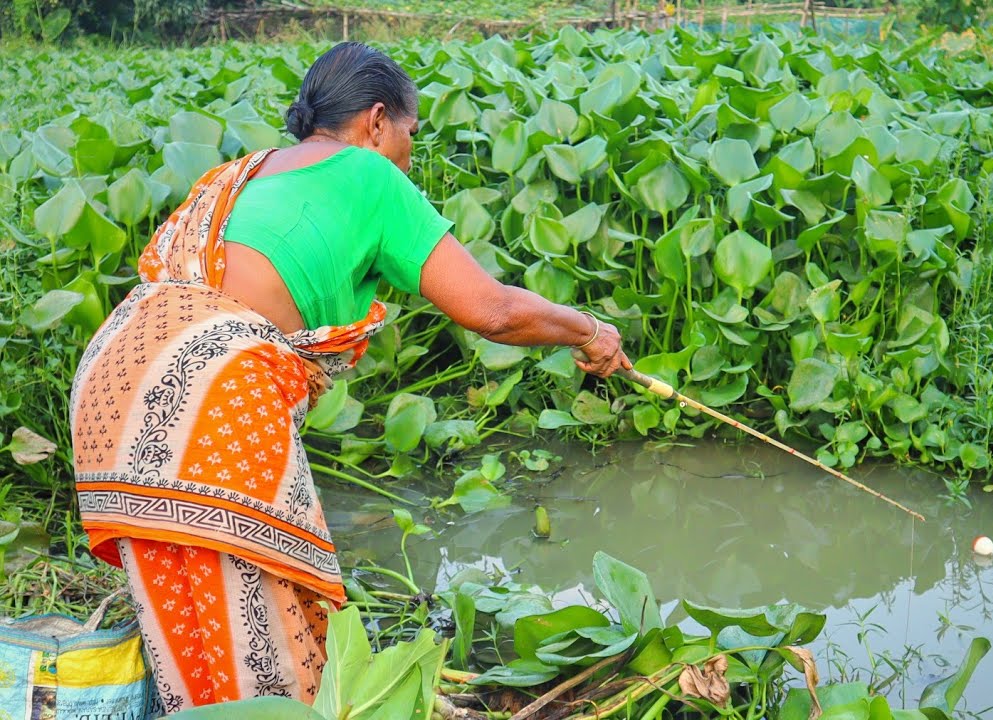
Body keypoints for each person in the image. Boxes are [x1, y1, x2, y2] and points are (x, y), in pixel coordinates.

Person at [69, 41, 630, 713]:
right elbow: (495, 311)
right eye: (410, 134)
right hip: (210, 390)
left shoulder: (237, 173)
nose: (408, 154)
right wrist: (592, 332)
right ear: (375, 121)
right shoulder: (370, 176)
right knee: (268, 635)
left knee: (187, 623)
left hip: (111, 386)